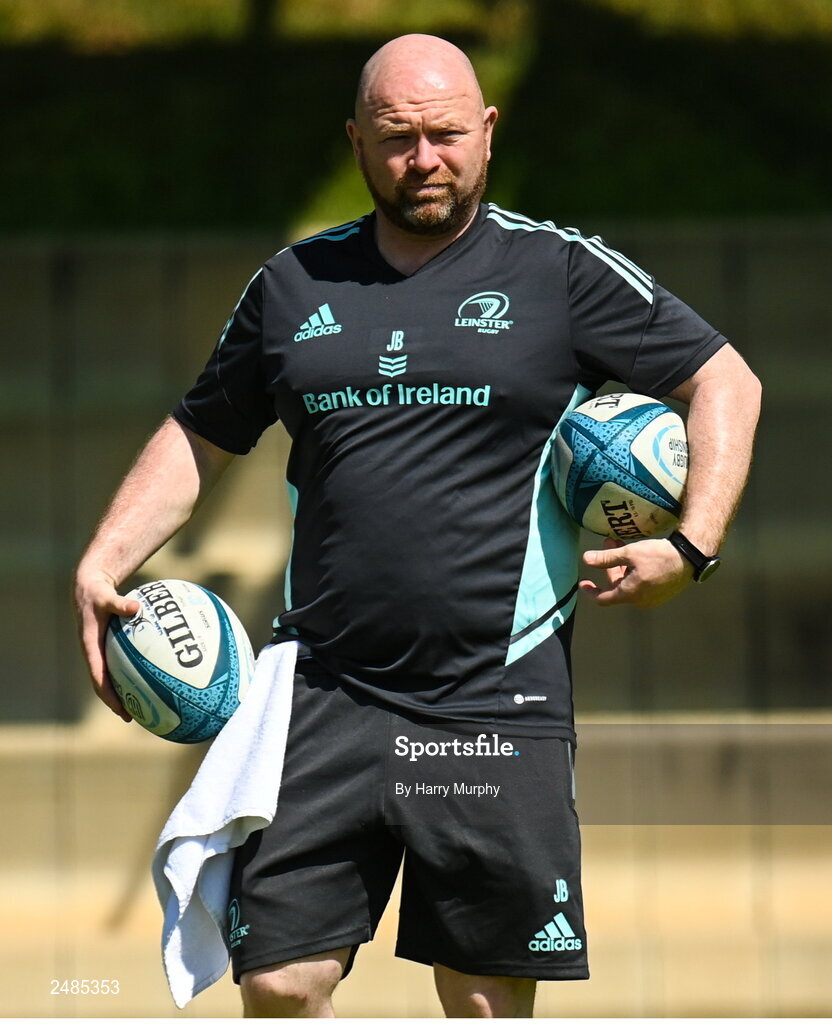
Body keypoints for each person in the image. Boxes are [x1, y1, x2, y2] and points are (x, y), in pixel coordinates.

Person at [74, 33, 761, 1018]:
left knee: (482, 1001)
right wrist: (104, 558)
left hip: (491, 700)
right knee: (278, 983)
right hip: (323, 691)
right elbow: (200, 434)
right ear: (355, 142)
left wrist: (692, 543)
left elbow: (723, 378)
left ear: (486, 132)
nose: (422, 157)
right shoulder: (293, 285)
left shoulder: (555, 269)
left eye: (444, 133)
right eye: (396, 136)